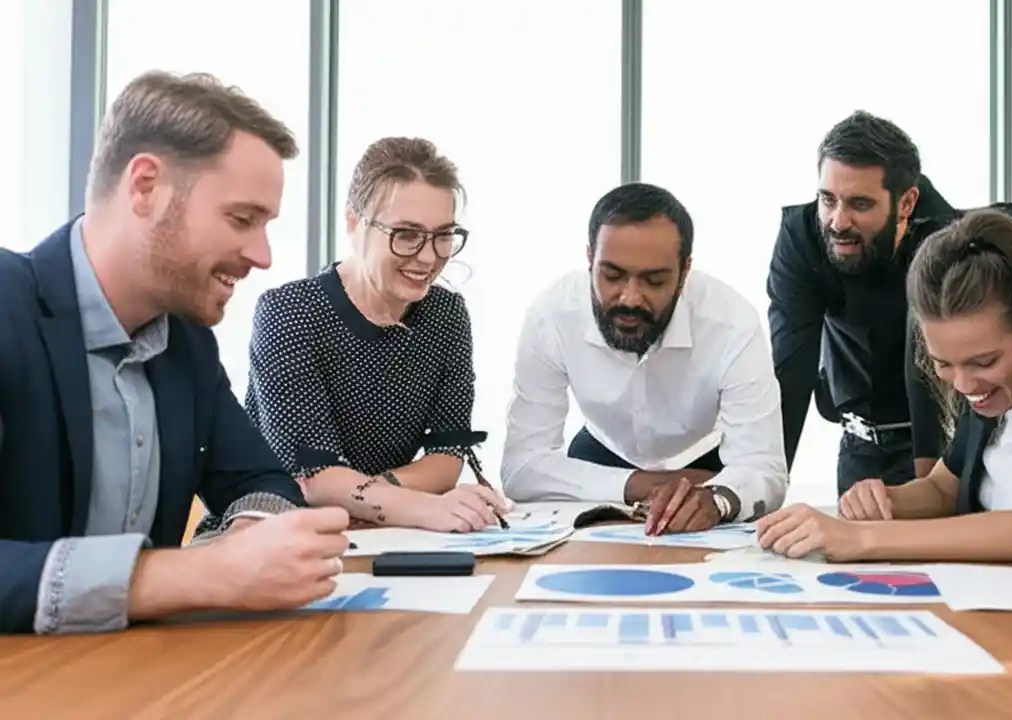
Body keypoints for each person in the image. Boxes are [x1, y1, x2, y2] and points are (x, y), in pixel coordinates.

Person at [0, 71, 350, 635]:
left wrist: (252, 537)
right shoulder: (8, 306)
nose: (262, 255)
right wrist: (197, 575)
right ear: (145, 187)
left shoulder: (185, 343)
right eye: (242, 219)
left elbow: (263, 480)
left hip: (146, 671)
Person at [758, 208, 1012, 562]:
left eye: (985, 362)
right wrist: (885, 499)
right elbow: (942, 488)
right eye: (943, 364)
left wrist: (864, 538)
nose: (964, 385)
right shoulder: (992, 398)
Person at [245, 137, 505, 532]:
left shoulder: (446, 315)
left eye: (443, 235)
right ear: (354, 222)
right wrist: (415, 506)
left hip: (382, 532)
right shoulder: (290, 313)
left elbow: (447, 457)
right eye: (406, 234)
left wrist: (372, 497)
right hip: (273, 533)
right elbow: (312, 477)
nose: (429, 257)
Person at [501, 182, 788, 533]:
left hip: (709, 467)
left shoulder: (732, 322)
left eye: (654, 281)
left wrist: (719, 498)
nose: (630, 298)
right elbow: (521, 469)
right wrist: (644, 484)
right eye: (611, 276)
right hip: (600, 458)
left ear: (685, 271)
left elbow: (765, 470)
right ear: (590, 259)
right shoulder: (551, 315)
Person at [767, 111, 957, 497]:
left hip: (935, 448)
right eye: (828, 199)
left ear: (906, 203)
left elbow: (927, 368)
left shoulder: (945, 238)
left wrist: (929, 492)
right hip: (858, 445)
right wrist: (759, 492)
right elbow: (791, 368)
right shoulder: (802, 236)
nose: (838, 222)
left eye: (860, 204)